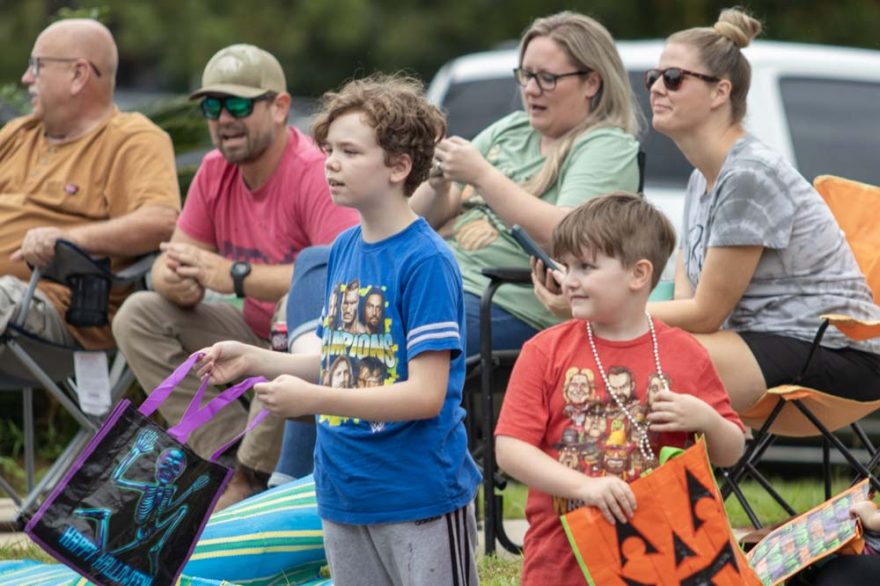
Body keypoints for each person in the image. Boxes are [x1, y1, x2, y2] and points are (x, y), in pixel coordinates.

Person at [198, 74, 481, 586]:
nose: (330, 162)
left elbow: (425, 394)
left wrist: (314, 399)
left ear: (399, 165)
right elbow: (347, 363)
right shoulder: (345, 249)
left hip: (417, 495)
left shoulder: (427, 261)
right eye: (328, 149)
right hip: (344, 491)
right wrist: (257, 359)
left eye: (350, 151)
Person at [535, 8, 880, 413]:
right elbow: (687, 299)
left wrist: (598, 307)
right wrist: (594, 302)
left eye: (674, 78)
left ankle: (647, 477)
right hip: (764, 343)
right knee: (626, 351)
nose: (657, 89)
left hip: (835, 351)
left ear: (720, 92)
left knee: (636, 364)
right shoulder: (703, 179)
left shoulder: (749, 175)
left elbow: (705, 313)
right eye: (654, 78)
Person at [112, 44, 358, 510]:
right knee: (139, 312)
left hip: (316, 340)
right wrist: (173, 280)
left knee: (290, 307)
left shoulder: (314, 173)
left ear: (280, 106)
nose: (224, 118)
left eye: (239, 104)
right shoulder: (213, 169)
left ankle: (252, 477)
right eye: (212, 105)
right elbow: (176, 258)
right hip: (248, 332)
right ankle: (221, 464)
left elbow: (339, 274)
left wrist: (235, 276)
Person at [496, 193, 745, 586]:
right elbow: (510, 449)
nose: (568, 279)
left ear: (638, 274)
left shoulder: (685, 353)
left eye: (585, 267)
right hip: (562, 561)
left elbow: (731, 451)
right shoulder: (544, 350)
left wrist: (708, 419)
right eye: (566, 265)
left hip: (658, 561)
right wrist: (585, 487)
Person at [409, 11, 641, 356]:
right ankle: (315, 381)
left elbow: (572, 238)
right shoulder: (512, 128)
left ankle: (320, 386)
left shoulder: (607, 145)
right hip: (448, 285)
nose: (531, 89)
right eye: (526, 75)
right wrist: (439, 183)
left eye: (547, 78)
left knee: (385, 328)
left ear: (592, 82)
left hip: (513, 306)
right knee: (325, 264)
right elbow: (414, 221)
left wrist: (483, 176)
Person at [0, 18, 179, 360]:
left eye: (36, 66)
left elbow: (162, 222)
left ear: (78, 75)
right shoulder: (18, 134)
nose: (26, 78)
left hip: (54, 306)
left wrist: (65, 240)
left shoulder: (132, 139)